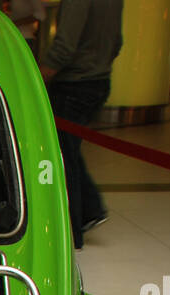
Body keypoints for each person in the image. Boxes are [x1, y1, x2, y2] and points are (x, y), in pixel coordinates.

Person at [40, 0, 122, 250]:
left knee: (64, 157)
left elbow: (65, 47)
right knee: (70, 149)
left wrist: (37, 75)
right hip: (98, 80)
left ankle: (72, 231)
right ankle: (90, 210)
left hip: (73, 84)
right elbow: (117, 42)